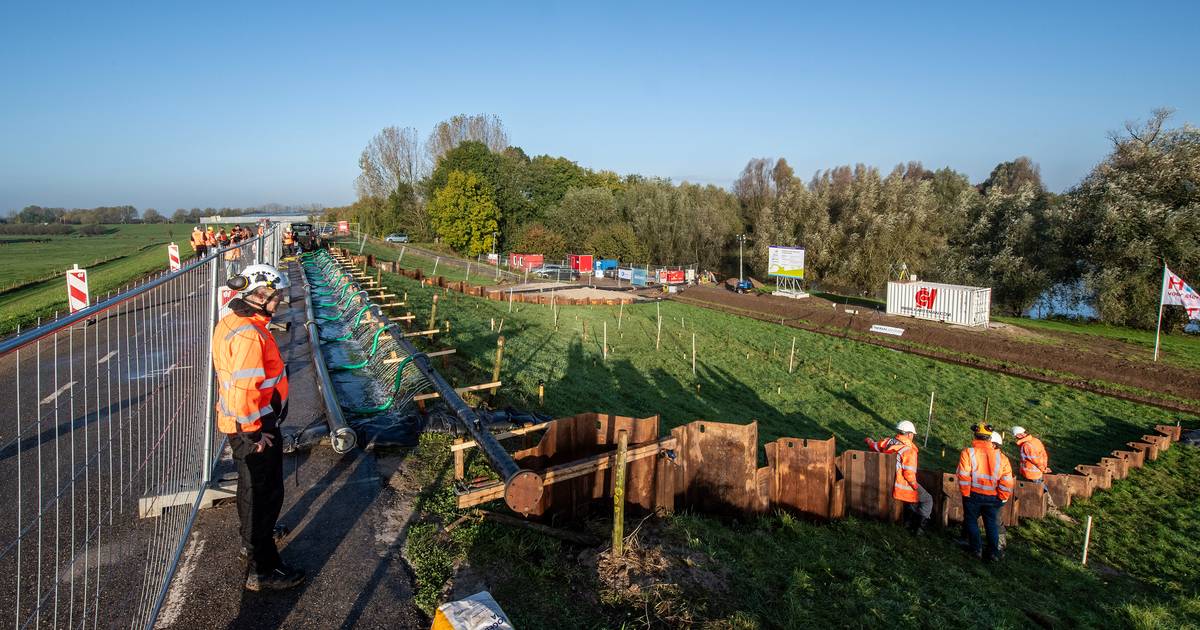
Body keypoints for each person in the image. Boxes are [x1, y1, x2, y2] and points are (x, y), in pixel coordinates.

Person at [211, 263, 304, 591]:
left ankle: (253, 541)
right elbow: (245, 389)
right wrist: (254, 433)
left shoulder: (234, 322)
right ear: (260, 294)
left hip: (246, 424)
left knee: (252, 491)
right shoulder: (250, 334)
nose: (279, 300)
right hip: (254, 427)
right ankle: (262, 569)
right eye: (276, 295)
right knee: (263, 495)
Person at [956, 423, 1013, 561]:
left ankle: (976, 549)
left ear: (975, 435)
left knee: (971, 522)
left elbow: (963, 475)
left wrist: (965, 493)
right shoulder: (1002, 458)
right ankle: (993, 553)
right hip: (993, 498)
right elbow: (1007, 481)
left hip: (973, 495)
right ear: (990, 438)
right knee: (991, 525)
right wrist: (1002, 497)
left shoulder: (968, 453)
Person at [865, 421, 932, 534]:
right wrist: (915, 486)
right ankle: (919, 528)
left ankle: (908, 522)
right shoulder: (909, 451)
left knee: (915, 500)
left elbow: (875, 446)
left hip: (885, 480)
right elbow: (908, 475)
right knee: (927, 499)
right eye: (913, 435)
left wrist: (868, 440)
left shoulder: (887, 442)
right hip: (900, 486)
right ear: (909, 434)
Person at [1012, 426, 1073, 522]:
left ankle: (1048, 507)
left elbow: (1034, 460)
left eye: (1015, 436)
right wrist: (1044, 466)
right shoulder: (1035, 440)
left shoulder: (1026, 445)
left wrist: (1042, 468)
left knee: (1038, 490)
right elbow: (1044, 454)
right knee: (1040, 487)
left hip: (1030, 473)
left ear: (1019, 435)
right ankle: (1048, 506)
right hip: (1037, 471)